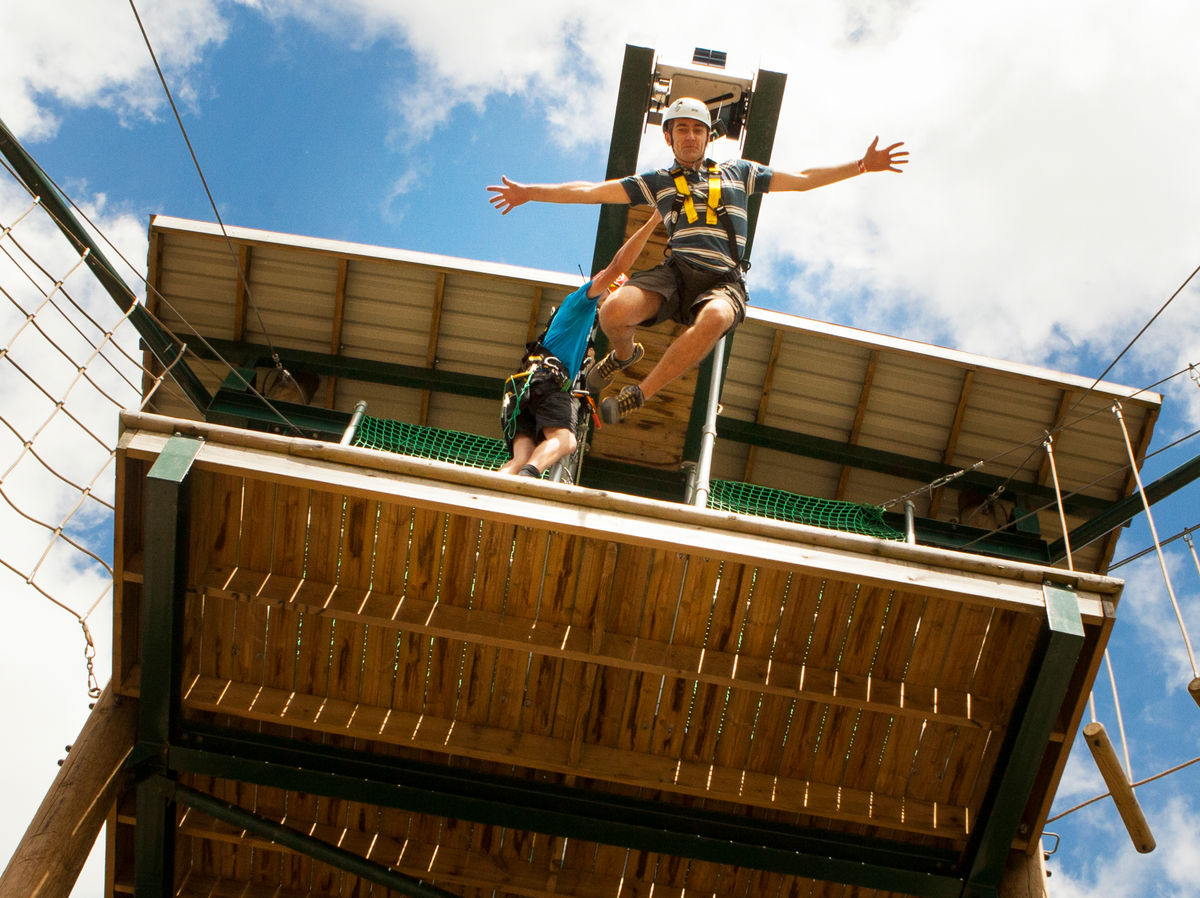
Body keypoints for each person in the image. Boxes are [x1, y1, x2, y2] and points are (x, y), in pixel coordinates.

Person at [488, 97, 907, 425]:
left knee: (716, 319)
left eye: (697, 130)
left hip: (723, 278)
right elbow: (589, 191)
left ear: (709, 137)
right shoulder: (657, 183)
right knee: (613, 310)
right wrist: (531, 192)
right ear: (669, 138)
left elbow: (801, 180)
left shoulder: (739, 172)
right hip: (676, 271)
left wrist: (861, 166)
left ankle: (640, 393)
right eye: (681, 130)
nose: (690, 137)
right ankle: (622, 355)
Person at [498, 211, 662, 477]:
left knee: (521, 457)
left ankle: (486, 490)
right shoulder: (582, 302)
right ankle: (527, 480)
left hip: (524, 388)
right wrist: (653, 221)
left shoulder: (581, 324)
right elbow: (617, 266)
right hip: (547, 382)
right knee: (566, 440)